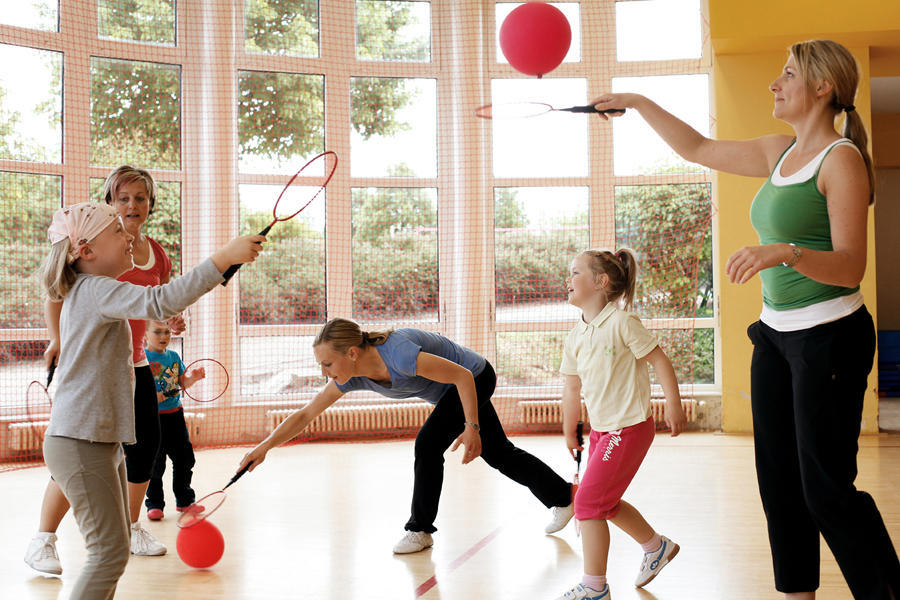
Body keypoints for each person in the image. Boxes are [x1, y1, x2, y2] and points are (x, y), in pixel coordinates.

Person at [591, 39, 899, 599]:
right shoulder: (779, 152)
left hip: (830, 338)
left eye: (788, 75)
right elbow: (697, 147)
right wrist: (636, 101)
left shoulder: (842, 159)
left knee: (826, 490)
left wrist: (784, 252)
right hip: (777, 338)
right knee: (780, 486)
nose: (775, 84)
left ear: (823, 87)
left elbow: (851, 265)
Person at [34, 201, 262, 599]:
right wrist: (224, 257)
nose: (128, 237)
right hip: (80, 442)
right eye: (117, 231)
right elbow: (160, 300)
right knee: (108, 555)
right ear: (86, 250)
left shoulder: (90, 292)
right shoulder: (96, 290)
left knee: (113, 550)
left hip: (97, 442)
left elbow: (158, 305)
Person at [239, 318, 575, 554]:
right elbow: (305, 414)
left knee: (428, 444)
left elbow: (461, 376)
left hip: (474, 377)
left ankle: (420, 529)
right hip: (452, 391)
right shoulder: (351, 376)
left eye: (327, 364)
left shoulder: (398, 353)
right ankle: (565, 497)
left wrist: (471, 427)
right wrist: (264, 447)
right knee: (499, 453)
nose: (324, 372)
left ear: (352, 353)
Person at [25, 166, 187, 575]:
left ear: (150, 204)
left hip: (134, 363)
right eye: (123, 198)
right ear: (110, 204)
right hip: (93, 366)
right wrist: (57, 339)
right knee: (82, 453)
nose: (132, 205)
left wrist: (170, 319)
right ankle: (43, 538)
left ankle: (129, 529)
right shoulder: (97, 245)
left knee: (144, 448)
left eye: (140, 198)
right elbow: (58, 291)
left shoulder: (156, 253)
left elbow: (158, 301)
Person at [553, 248, 686, 600]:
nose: (568, 279)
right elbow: (571, 388)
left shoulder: (622, 323)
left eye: (576, 272)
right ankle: (655, 547)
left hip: (627, 429)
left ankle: (594, 587)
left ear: (601, 282)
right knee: (604, 503)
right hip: (602, 431)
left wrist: (673, 404)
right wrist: (570, 430)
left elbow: (660, 360)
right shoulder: (575, 336)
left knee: (587, 505)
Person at [143, 320, 205, 521]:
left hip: (175, 416)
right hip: (152, 419)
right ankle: (154, 504)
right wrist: (152, 397)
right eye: (157, 332)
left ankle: (185, 501)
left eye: (167, 332)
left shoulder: (174, 356)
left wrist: (193, 378)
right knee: (155, 463)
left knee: (185, 459)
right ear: (145, 334)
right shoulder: (141, 358)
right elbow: (134, 388)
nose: (163, 337)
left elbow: (182, 382)